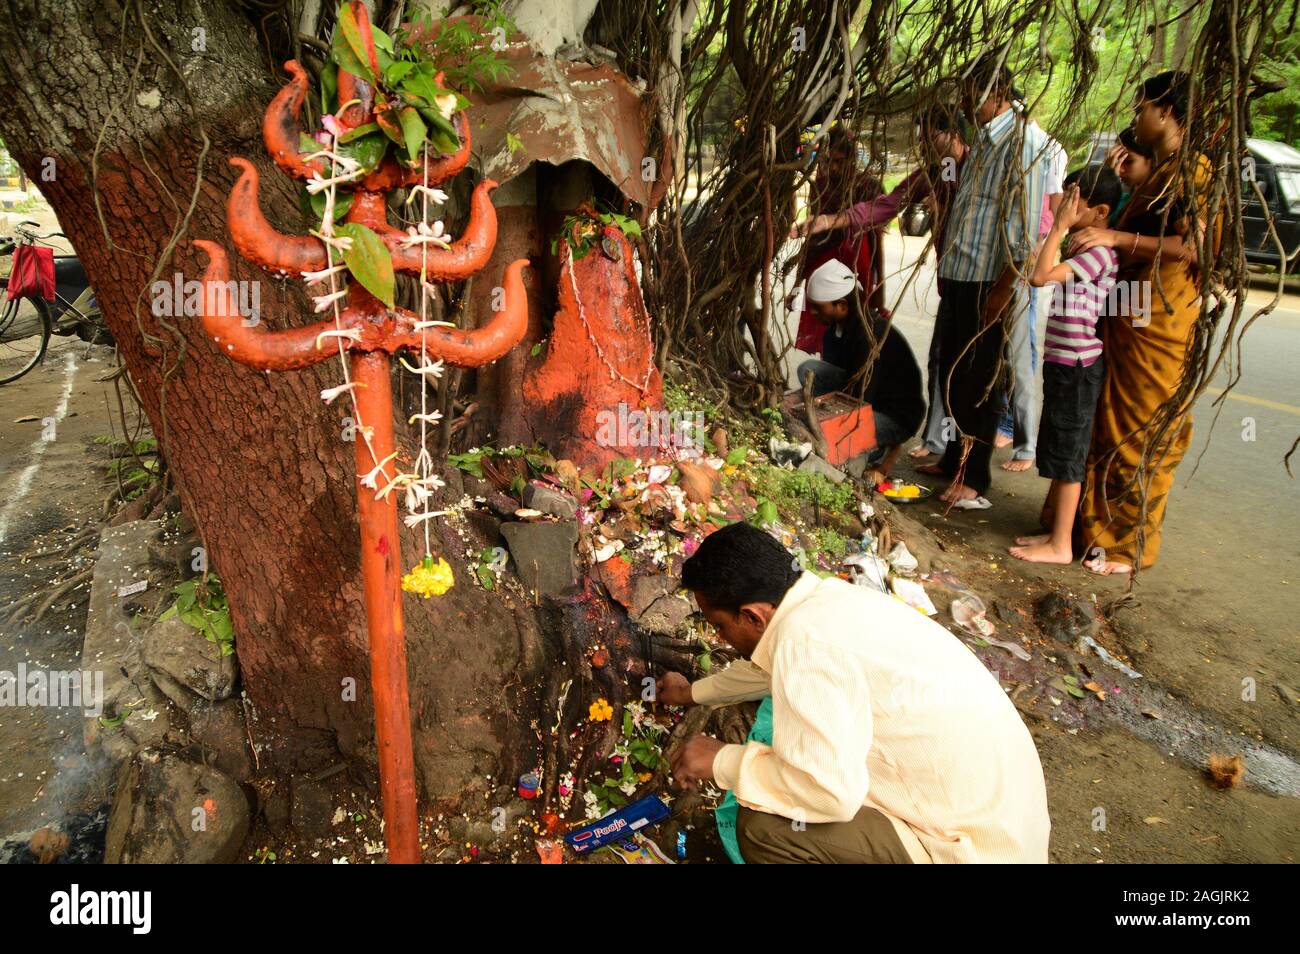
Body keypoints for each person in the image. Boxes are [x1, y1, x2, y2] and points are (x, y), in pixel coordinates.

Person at [659, 521, 1051, 864]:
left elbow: (829, 794)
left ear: (752, 615)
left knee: (765, 827)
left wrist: (722, 761)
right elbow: (765, 669)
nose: (719, 638)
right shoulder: (826, 603)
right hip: (1008, 824)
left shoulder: (804, 642)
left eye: (719, 626)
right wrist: (691, 693)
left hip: (970, 849)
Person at [1070, 71, 1219, 575]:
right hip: (1129, 313)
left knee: (1140, 432)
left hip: (1159, 318)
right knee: (1109, 425)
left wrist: (1116, 241)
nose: (1137, 117)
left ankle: (1128, 548)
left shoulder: (1193, 171)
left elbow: (1192, 248)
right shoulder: (1162, 170)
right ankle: (1095, 531)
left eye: (1142, 108)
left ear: (1167, 110)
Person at [792, 105, 968, 462]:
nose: (923, 143)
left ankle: (957, 461)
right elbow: (890, 204)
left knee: (961, 372)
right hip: (947, 280)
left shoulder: (978, 169)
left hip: (970, 281)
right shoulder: (931, 173)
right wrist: (828, 221)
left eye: (929, 135)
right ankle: (940, 447)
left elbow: (859, 397)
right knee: (940, 362)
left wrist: (824, 417)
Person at [918, 59, 1053, 508]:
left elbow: (1024, 228)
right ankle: (953, 457)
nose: (963, 101)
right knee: (954, 379)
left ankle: (974, 479)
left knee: (979, 381)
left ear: (994, 91)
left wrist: (1001, 290)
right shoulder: (983, 142)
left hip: (986, 282)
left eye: (970, 91)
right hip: (961, 275)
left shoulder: (1022, 144)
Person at [1009, 165, 1122, 564]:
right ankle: (1053, 532)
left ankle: (1061, 545)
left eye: (1076, 201)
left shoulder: (1099, 255)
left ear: (1101, 212)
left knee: (1070, 454)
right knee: (1059, 445)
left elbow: (1039, 278)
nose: (1066, 207)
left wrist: (1057, 228)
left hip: (1078, 364)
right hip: (1064, 362)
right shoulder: (1082, 249)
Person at [795, 259, 925, 481]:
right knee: (808, 369)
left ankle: (878, 449)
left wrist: (822, 416)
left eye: (818, 307)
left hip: (893, 415)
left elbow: (860, 399)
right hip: (859, 395)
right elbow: (843, 385)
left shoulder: (870, 336)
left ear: (842, 305)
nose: (813, 312)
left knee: (838, 433)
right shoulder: (832, 332)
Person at [995, 102, 1067, 473]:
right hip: (1001, 260)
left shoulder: (1048, 148)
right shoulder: (999, 147)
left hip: (1026, 263)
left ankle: (1023, 440)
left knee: (1023, 351)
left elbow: (1057, 212)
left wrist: (1040, 253)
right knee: (1002, 351)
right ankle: (1003, 422)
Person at [790, 124, 886, 356]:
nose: (833, 168)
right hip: (822, 268)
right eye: (830, 161)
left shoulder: (870, 188)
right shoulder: (820, 187)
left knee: (857, 335)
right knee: (828, 333)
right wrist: (796, 284)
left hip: (857, 270)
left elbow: (876, 246)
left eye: (840, 162)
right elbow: (813, 238)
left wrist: (879, 293)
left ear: (853, 160)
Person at [1106, 125, 1155, 226]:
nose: (1119, 169)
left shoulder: (1164, 201)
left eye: (1128, 161)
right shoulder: (1120, 200)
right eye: (1117, 161)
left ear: (1152, 160)